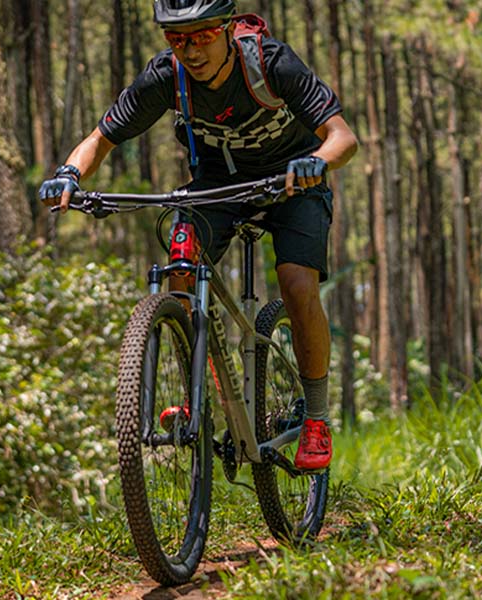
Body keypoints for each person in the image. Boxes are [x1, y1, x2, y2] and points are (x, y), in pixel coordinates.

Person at [39, 0, 357, 471]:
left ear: (227, 29)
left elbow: (343, 138)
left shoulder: (271, 63)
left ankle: (315, 417)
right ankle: (196, 395)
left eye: (202, 34)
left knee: (295, 284)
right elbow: (101, 138)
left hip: (294, 181)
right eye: (176, 38)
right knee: (181, 264)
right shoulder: (166, 77)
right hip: (219, 187)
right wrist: (68, 173)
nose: (190, 49)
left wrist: (318, 161)